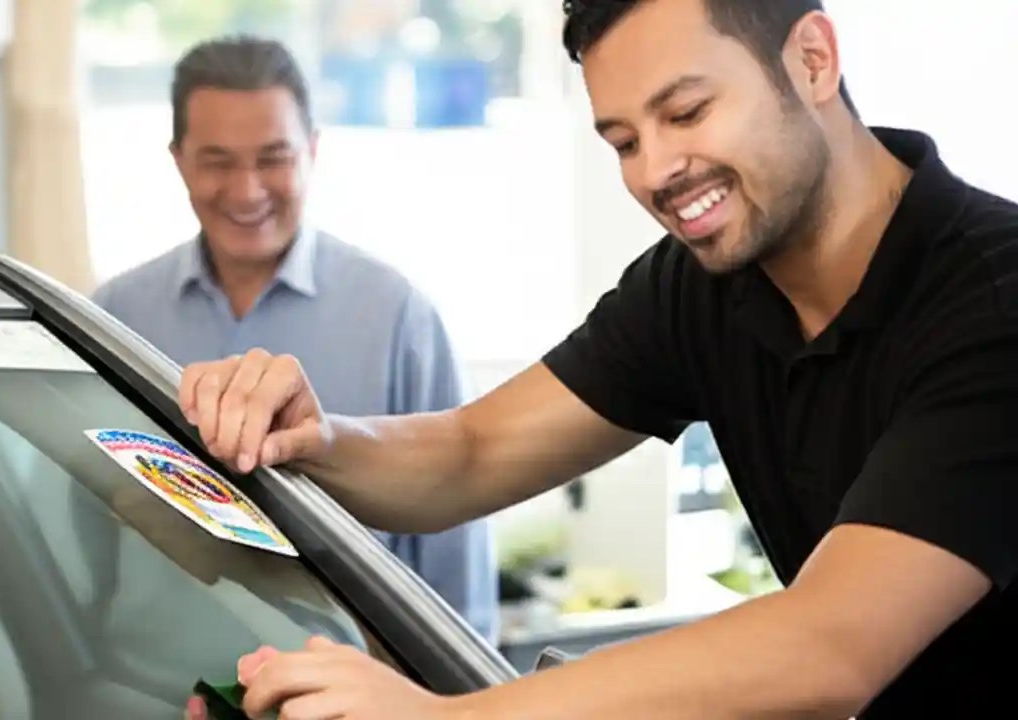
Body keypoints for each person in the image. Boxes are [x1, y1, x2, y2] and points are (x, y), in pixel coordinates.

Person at [178, 0, 1018, 717]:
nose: (657, 172)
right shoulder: (704, 288)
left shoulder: (994, 299)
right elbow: (472, 453)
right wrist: (315, 439)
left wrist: (454, 713)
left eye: (685, 113)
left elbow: (829, 644)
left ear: (811, 59)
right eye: (622, 141)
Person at [90, 35, 499, 643]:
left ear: (312, 150)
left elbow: (454, 555)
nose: (248, 190)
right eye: (218, 161)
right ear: (178, 161)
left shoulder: (396, 316)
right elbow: (86, 530)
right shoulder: (114, 316)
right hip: (153, 684)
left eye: (273, 158)